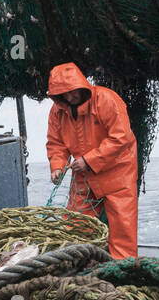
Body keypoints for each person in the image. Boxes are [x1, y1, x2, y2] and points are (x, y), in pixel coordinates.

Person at [46, 62, 138, 259]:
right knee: (75, 225)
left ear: (81, 85)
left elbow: (121, 137)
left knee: (123, 227)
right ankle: (80, 265)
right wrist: (57, 166)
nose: (70, 97)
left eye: (73, 91)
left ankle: (123, 268)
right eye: (64, 94)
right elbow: (56, 143)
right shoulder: (57, 111)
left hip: (117, 172)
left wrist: (89, 160)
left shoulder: (107, 99)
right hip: (83, 175)